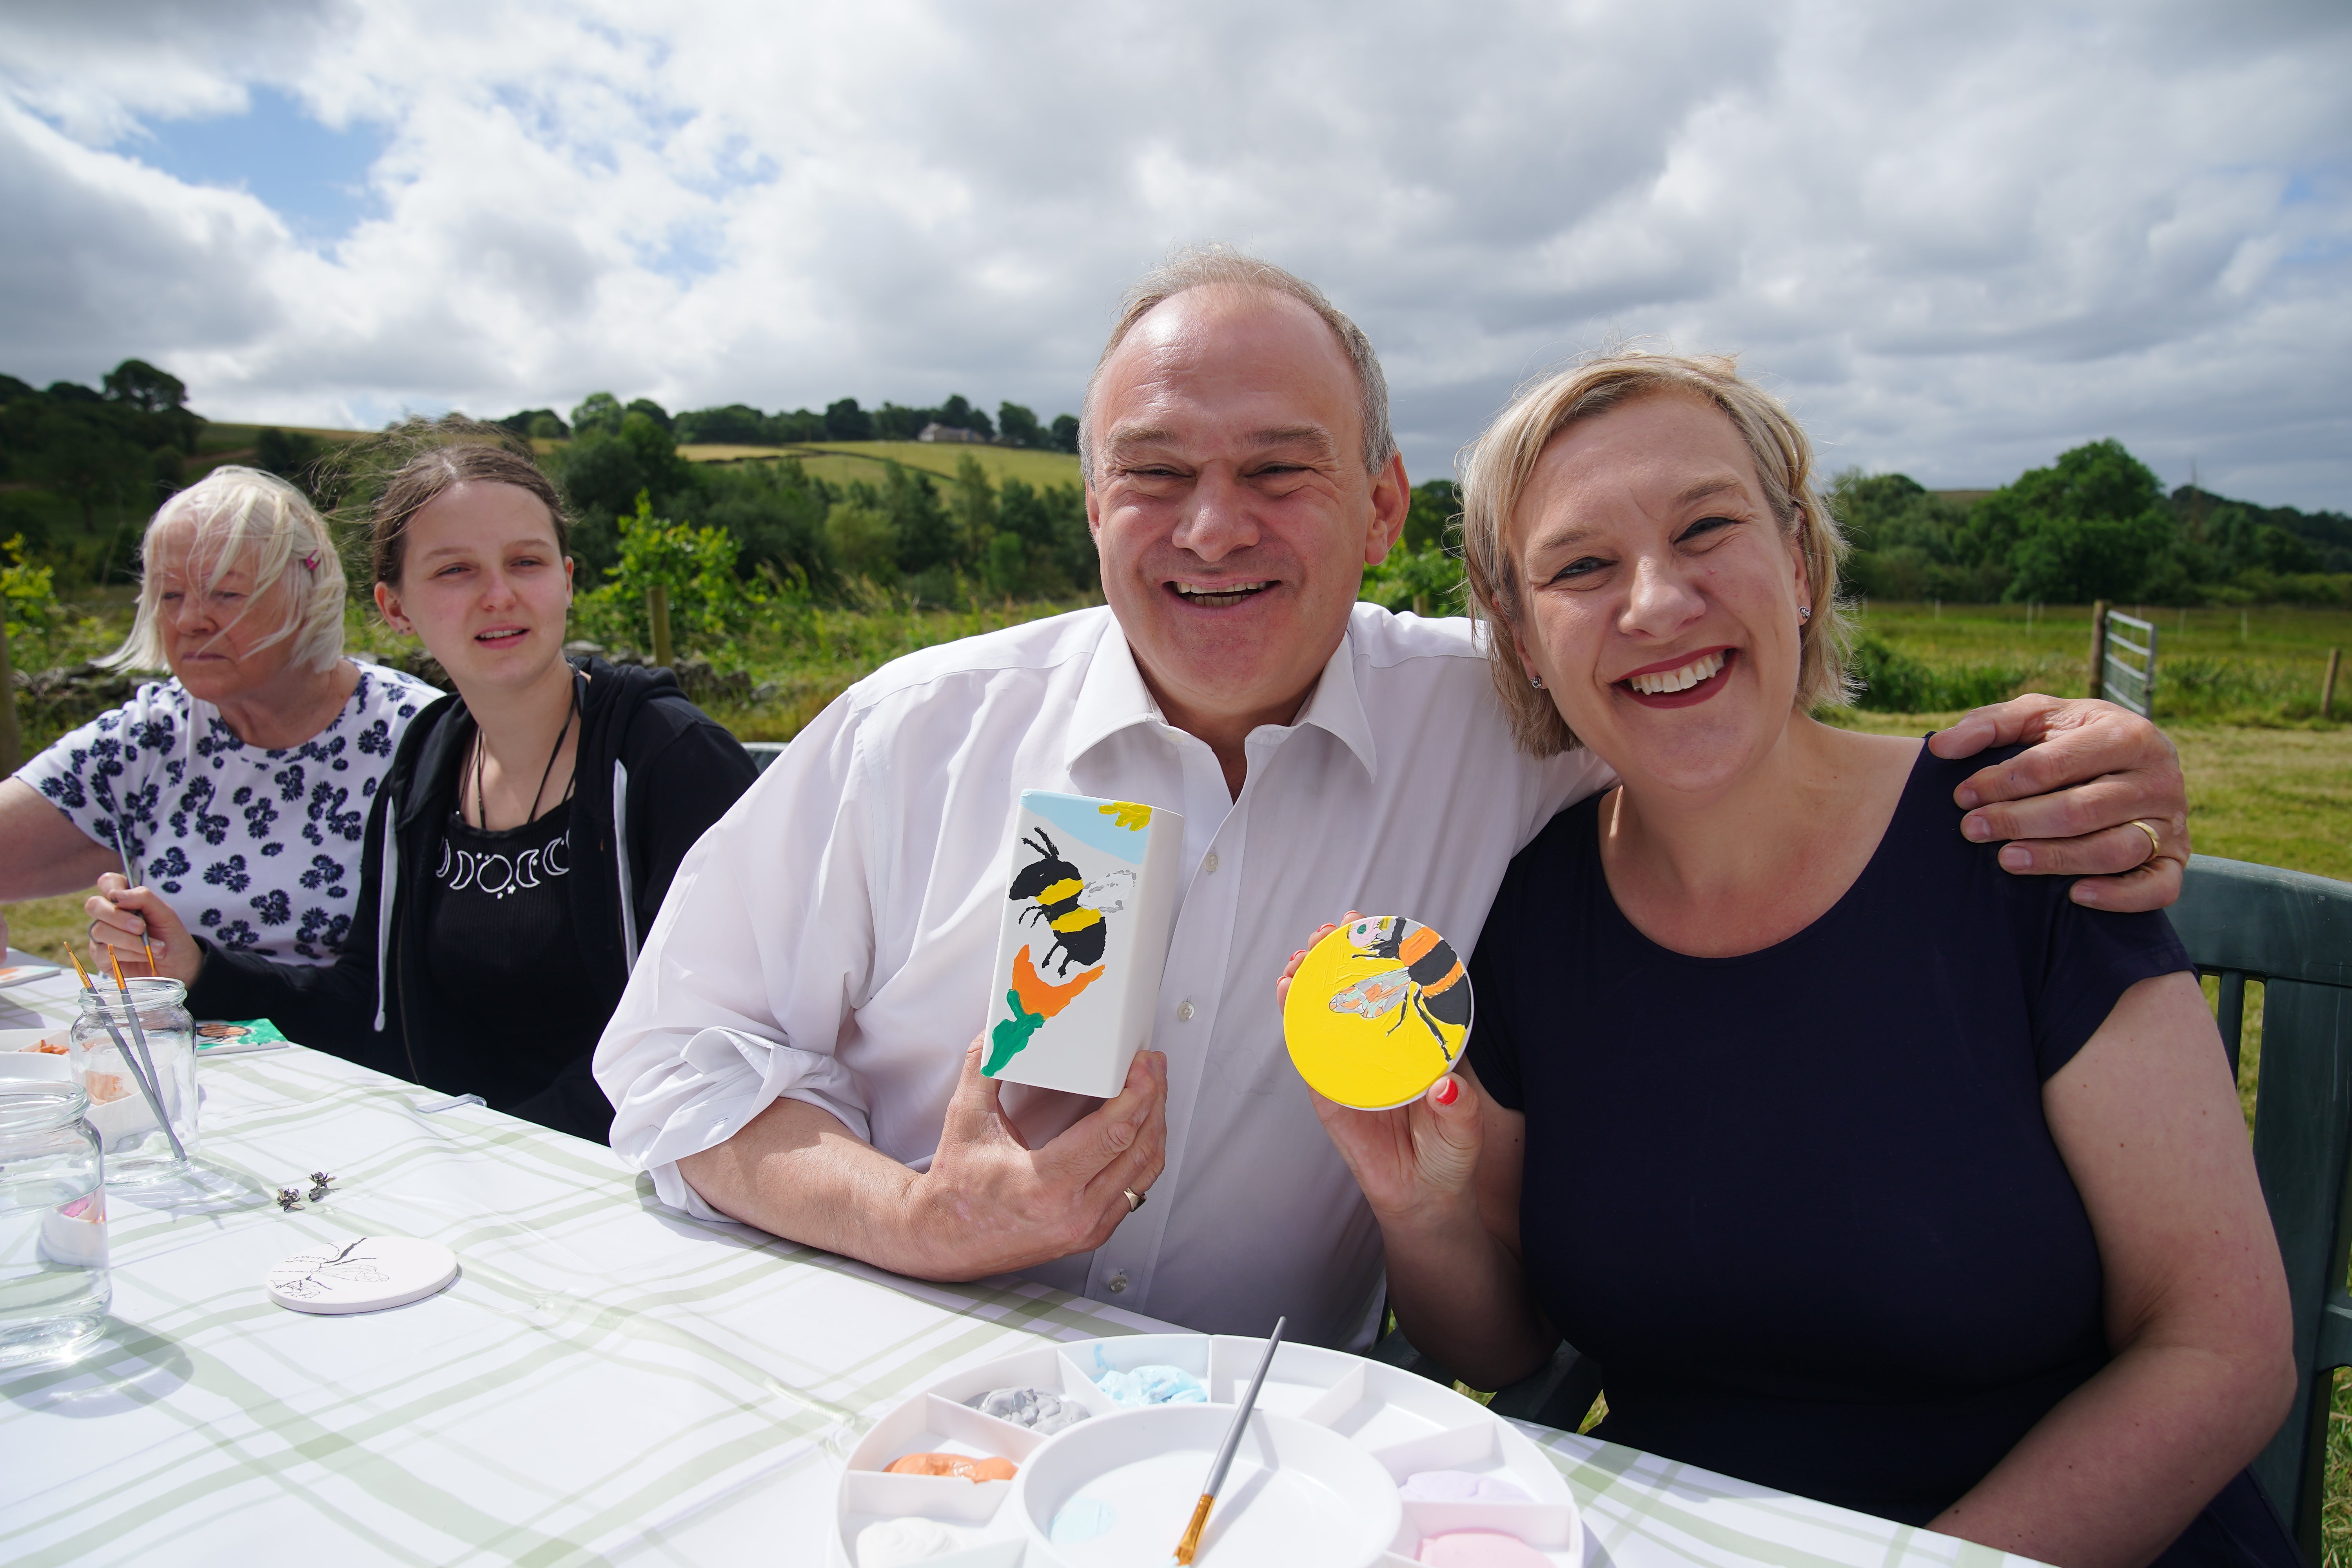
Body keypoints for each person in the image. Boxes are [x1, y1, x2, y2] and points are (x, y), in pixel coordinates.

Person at [593, 247, 2195, 1349]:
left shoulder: (1508, 713)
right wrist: (915, 1218)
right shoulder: (920, 733)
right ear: (1090, 508)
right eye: (1156, 472)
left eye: (1278, 470)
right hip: (894, 1369)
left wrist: (2070, 760)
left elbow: (1712, 696)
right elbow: (672, 1063)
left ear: (1379, 510)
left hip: (1265, 1464)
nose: (1212, 528)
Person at [1298, 352, 2292, 1566]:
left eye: (1705, 528)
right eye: (1580, 566)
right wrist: (1421, 1210)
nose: (1656, 602)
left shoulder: (2024, 842)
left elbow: (2220, 1349)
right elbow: (1502, 1347)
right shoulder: (1535, 909)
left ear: (1801, 564)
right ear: (1521, 637)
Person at [90, 429, 757, 1142]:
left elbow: (707, 1038)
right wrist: (200, 971)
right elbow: (368, 1005)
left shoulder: (670, 762)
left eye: (526, 562)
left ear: (567, 580)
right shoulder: (425, 765)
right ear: (395, 608)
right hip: (459, 1161)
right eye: (455, 571)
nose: (499, 596)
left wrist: (495, 1151)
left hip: (627, 1170)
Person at [1, 466, 437, 966]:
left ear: (309, 592)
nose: (190, 620)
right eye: (170, 595)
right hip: (177, 1021)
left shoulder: (419, 736)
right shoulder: (154, 736)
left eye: (226, 593)